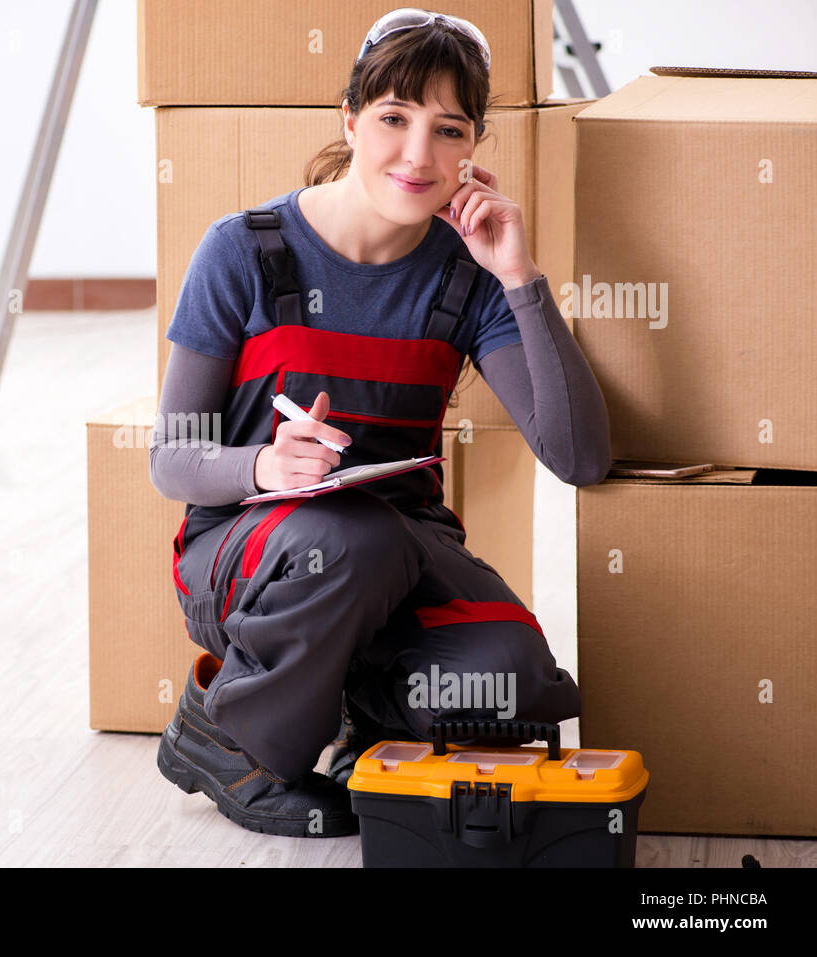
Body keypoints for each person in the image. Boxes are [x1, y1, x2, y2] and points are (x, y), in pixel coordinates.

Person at [150, 8, 611, 838]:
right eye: (395, 119)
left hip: (404, 553)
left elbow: (578, 455)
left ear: (472, 146)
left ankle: (360, 707)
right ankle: (232, 737)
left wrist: (518, 274)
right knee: (351, 541)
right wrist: (264, 467)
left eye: (447, 130)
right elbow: (171, 458)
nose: (417, 155)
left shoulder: (464, 277)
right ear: (350, 117)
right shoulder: (244, 251)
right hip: (253, 554)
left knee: (508, 688)